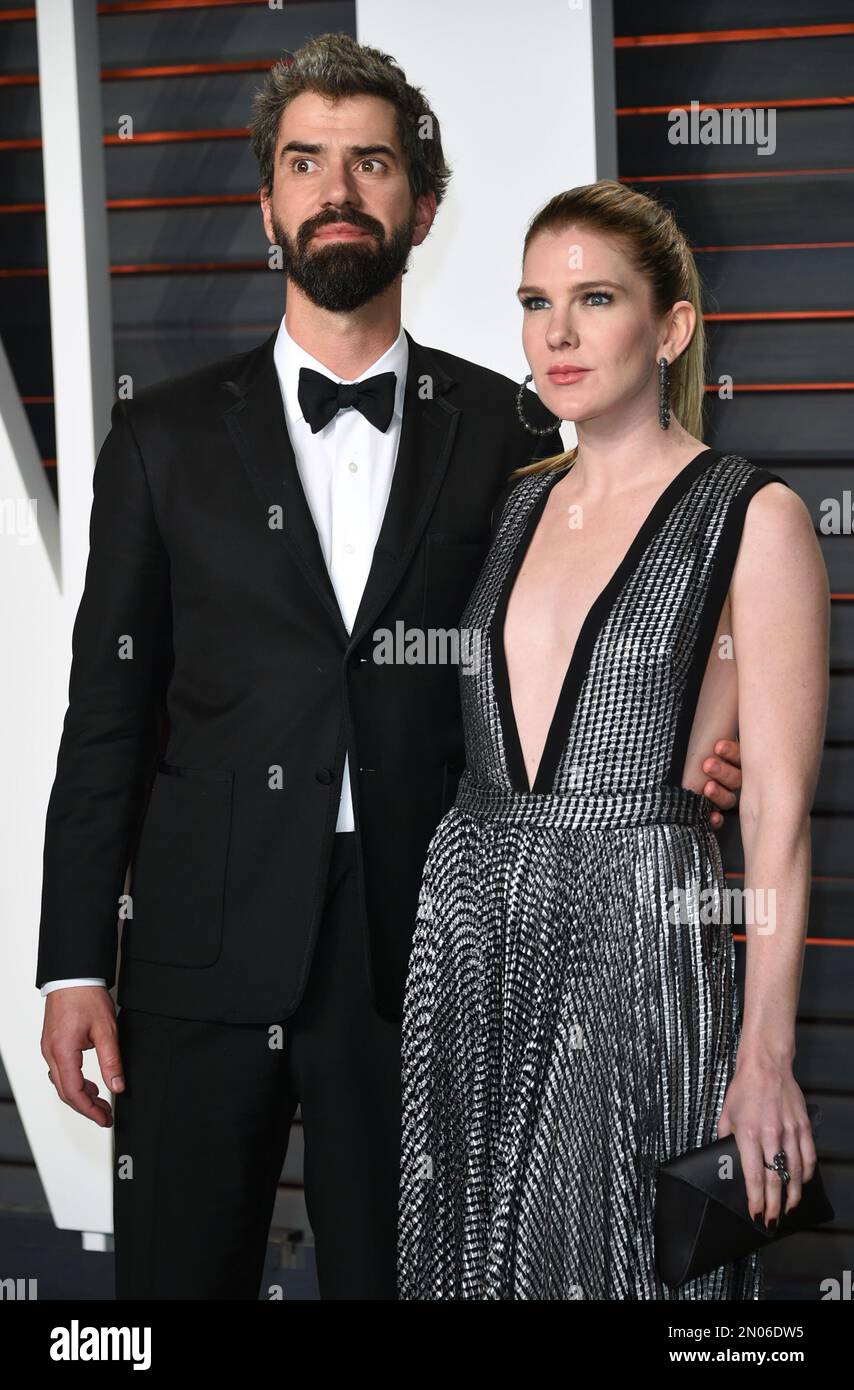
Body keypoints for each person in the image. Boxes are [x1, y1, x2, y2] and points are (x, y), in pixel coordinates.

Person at [36, 37, 743, 1300]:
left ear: (421, 205)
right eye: (306, 162)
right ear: (267, 205)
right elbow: (106, 717)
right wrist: (73, 962)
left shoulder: (519, 433)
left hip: (425, 943)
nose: (337, 189)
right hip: (199, 947)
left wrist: (704, 717)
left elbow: (635, 578)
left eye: (370, 162)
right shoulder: (161, 438)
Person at [397, 180, 829, 1300]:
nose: (557, 332)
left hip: (641, 940)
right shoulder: (509, 505)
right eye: (536, 301)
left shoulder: (752, 514)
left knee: (626, 1268)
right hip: (471, 937)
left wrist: (766, 1055)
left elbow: (776, 823)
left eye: (594, 298)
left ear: (670, 326)